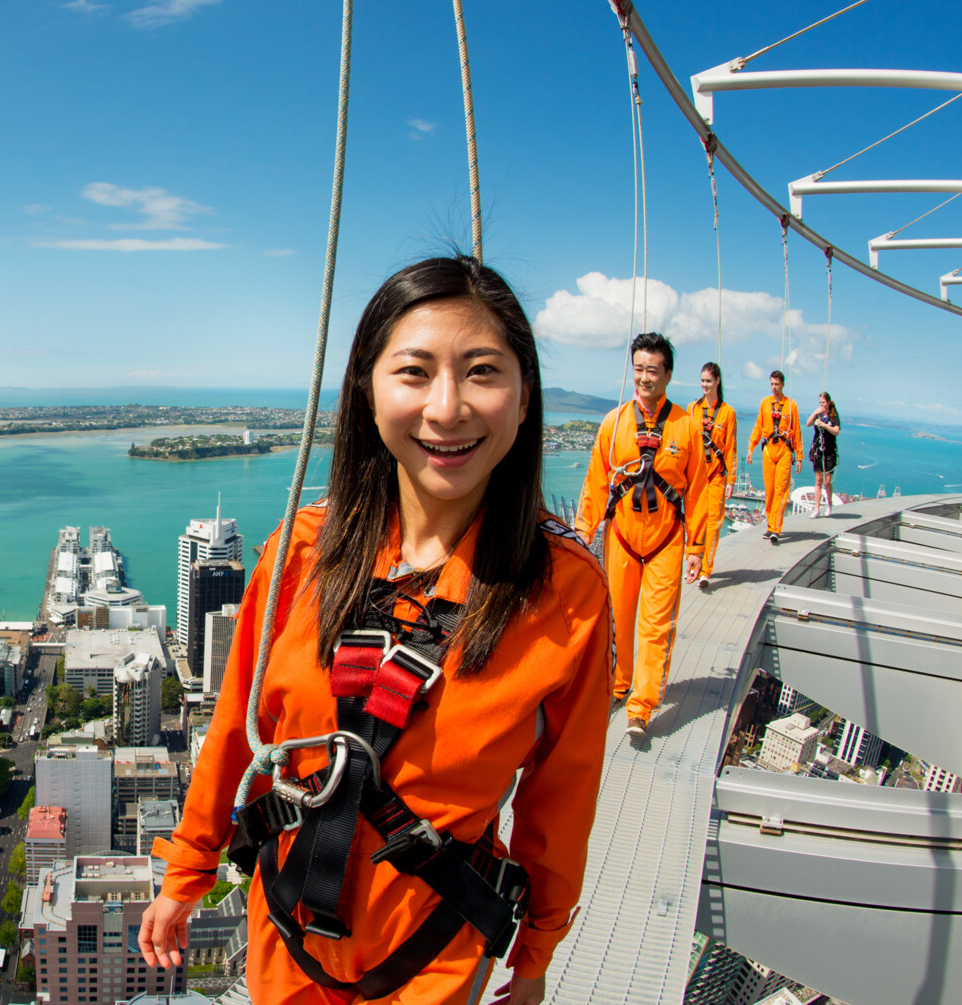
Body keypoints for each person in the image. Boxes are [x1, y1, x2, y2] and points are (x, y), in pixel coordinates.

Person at [139, 257, 612, 1005]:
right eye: (414, 372)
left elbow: (564, 793)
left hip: (433, 948)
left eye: (483, 372)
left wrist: (536, 953)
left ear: (525, 400)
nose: (448, 408)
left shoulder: (563, 593)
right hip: (283, 932)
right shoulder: (301, 553)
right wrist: (188, 870)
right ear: (368, 391)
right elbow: (238, 723)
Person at [576, 333, 704, 740]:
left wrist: (697, 548)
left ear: (667, 374)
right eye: (639, 370)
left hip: (667, 538)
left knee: (656, 625)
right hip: (622, 536)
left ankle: (641, 706)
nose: (644, 378)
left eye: (652, 370)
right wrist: (582, 534)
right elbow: (597, 482)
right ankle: (619, 683)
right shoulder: (615, 424)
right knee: (618, 618)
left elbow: (699, 489)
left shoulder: (686, 426)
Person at [689, 362, 736, 590]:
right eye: (702, 381)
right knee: (696, 520)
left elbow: (731, 448)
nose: (704, 385)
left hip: (716, 475)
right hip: (696, 475)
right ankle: (694, 560)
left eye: (708, 381)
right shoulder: (693, 409)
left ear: (717, 381)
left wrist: (732, 479)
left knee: (714, 523)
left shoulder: (727, 413)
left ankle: (706, 569)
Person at [747, 371, 802, 543]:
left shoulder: (791, 406)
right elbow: (758, 425)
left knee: (780, 491)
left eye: (777, 384)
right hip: (769, 450)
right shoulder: (765, 403)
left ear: (783, 384)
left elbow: (797, 431)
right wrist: (751, 447)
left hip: (784, 450)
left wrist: (799, 456)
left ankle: (776, 529)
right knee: (769, 491)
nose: (774, 387)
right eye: (772, 384)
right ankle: (770, 525)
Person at [807, 391, 841, 517]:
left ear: (828, 402)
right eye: (820, 402)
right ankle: (816, 508)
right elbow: (808, 423)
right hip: (818, 451)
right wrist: (815, 413)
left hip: (829, 451)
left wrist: (825, 425)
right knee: (818, 480)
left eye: (823, 402)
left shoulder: (833, 415)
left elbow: (836, 431)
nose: (821, 404)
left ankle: (829, 504)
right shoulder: (818, 415)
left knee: (827, 481)